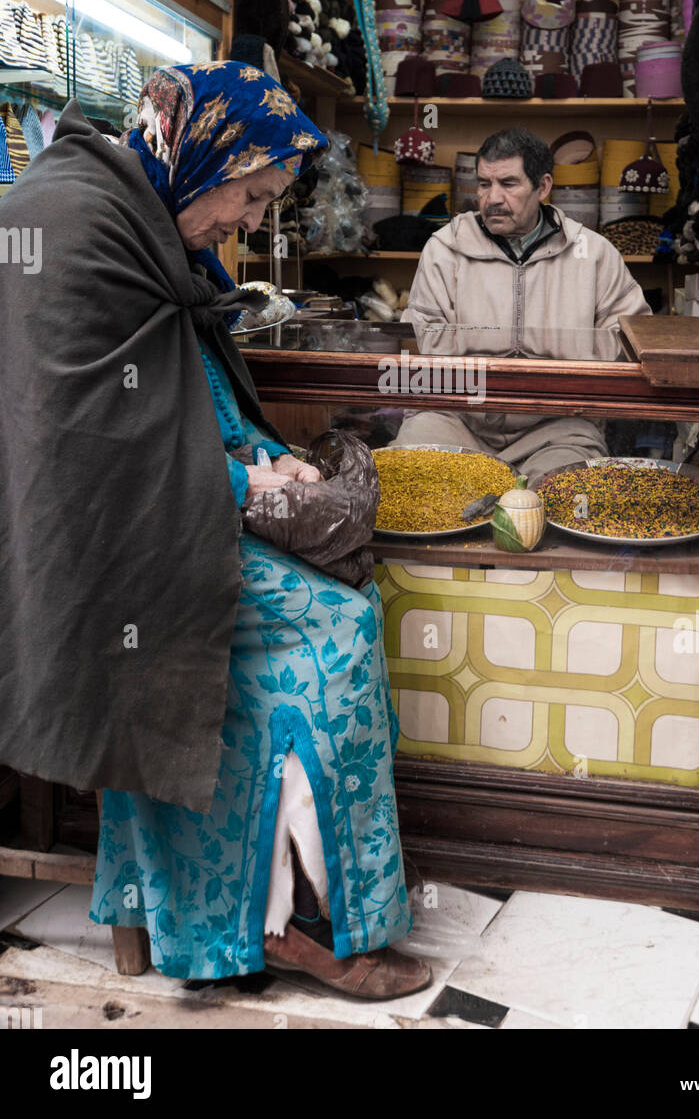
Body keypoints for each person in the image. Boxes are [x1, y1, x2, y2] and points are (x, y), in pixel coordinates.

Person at [0, 62, 429, 1000]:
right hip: (104, 548)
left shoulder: (142, 210)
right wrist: (239, 478)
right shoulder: (67, 219)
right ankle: (301, 923)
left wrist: (254, 461)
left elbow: (163, 387)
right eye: (253, 194)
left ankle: (274, 913)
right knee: (335, 630)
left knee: (346, 597)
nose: (253, 219)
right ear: (207, 156)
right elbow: (81, 434)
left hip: (164, 505)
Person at [394, 127, 652, 485]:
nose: (492, 198)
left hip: (556, 426)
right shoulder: (445, 248)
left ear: (543, 187)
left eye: (509, 184)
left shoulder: (591, 253)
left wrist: (553, 367)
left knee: (563, 489)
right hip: (459, 421)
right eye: (484, 184)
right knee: (410, 464)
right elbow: (419, 338)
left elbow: (631, 339)